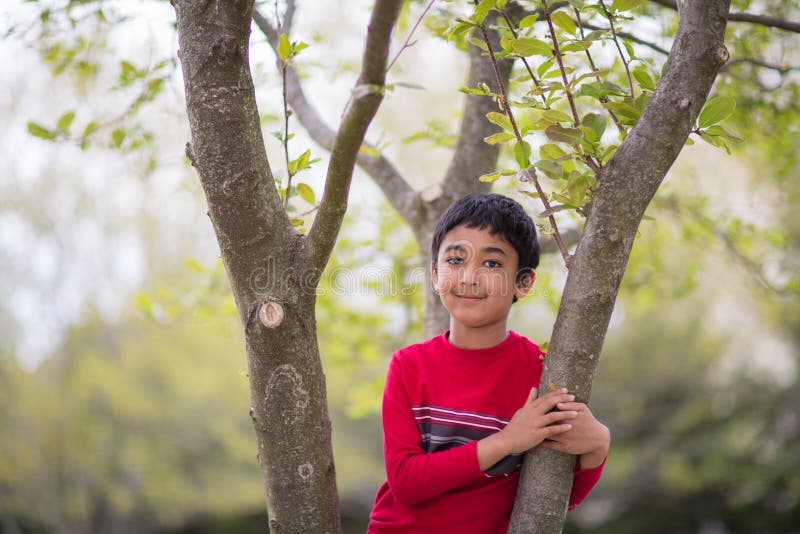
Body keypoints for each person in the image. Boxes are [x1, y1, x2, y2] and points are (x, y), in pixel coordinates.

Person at [367, 193, 610, 533]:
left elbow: (557, 497)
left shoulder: (541, 372)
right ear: (435, 275)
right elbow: (406, 483)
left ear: (523, 282)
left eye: (492, 264)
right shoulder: (409, 366)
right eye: (455, 260)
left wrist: (598, 445)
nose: (469, 277)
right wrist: (508, 441)